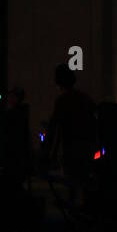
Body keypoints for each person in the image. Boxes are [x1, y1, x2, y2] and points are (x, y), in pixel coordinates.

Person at [47, 63, 96, 194]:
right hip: (87, 148)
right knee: (84, 184)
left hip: (71, 149)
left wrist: (47, 153)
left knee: (72, 185)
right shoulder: (86, 99)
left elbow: (54, 128)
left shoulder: (62, 101)